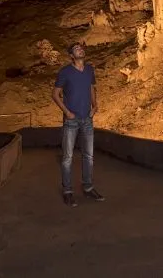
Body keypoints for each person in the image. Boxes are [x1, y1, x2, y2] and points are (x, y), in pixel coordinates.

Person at [52, 42, 105, 207]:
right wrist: (67, 113)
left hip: (87, 119)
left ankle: (88, 187)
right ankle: (68, 191)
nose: (80, 49)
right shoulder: (65, 72)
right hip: (71, 120)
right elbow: (55, 94)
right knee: (67, 157)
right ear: (71, 56)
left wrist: (95, 106)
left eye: (81, 48)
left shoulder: (89, 69)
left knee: (88, 156)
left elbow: (91, 88)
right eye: (76, 49)